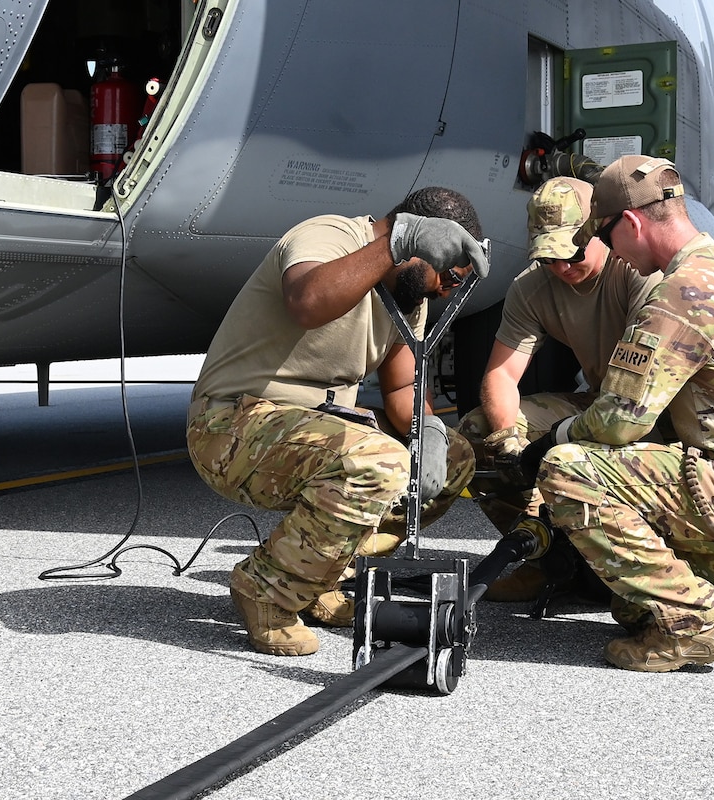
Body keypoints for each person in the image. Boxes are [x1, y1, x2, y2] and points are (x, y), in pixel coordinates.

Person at [517, 155, 714, 672]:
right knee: (629, 606)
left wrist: (552, 435)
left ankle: (696, 624)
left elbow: (619, 422)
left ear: (632, 222)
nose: (604, 251)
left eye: (602, 234)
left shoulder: (682, 291)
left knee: (568, 469)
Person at [186, 187, 488, 656]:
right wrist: (395, 243)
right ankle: (266, 589)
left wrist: (428, 433)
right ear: (415, 241)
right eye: (446, 274)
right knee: (378, 461)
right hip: (232, 424)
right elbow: (306, 302)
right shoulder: (329, 236)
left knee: (455, 454)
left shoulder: (409, 292)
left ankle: (319, 575)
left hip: (313, 431)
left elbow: (401, 388)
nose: (443, 290)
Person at [457, 176, 664, 601]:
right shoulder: (532, 288)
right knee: (479, 432)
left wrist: (561, 451)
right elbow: (500, 377)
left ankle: (649, 565)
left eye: (572, 251)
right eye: (549, 256)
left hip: (656, 414)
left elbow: (640, 399)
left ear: (599, 232)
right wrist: (512, 447)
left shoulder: (639, 274)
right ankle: (547, 562)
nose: (561, 267)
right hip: (601, 404)